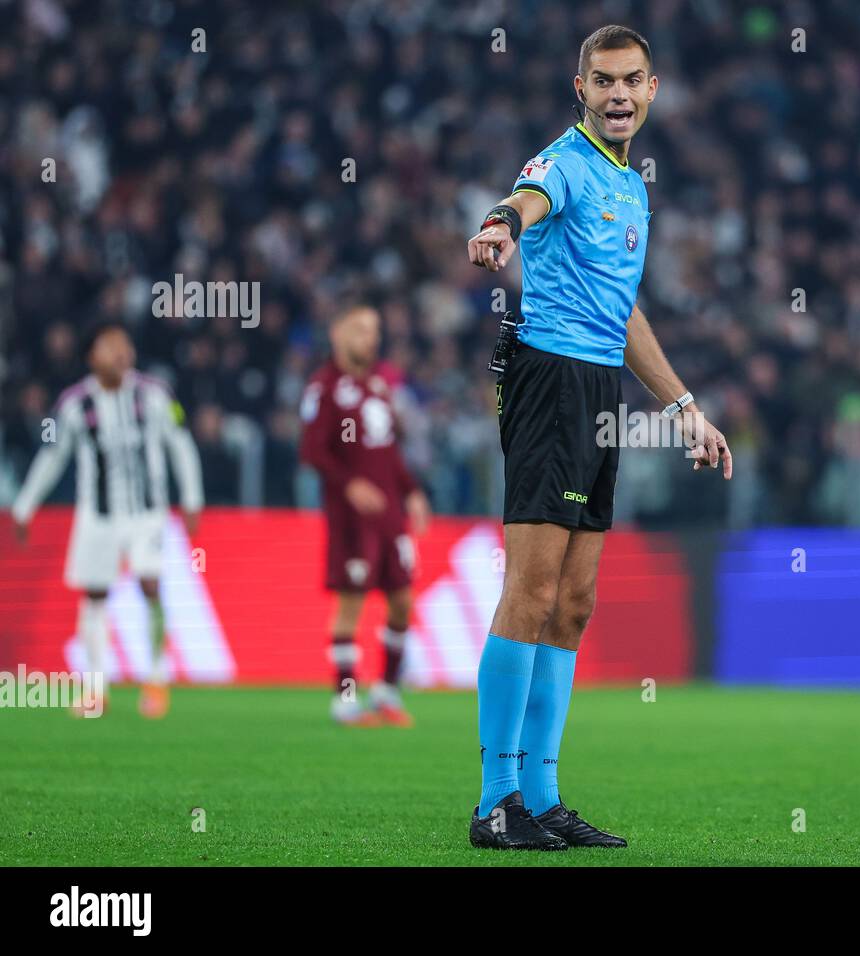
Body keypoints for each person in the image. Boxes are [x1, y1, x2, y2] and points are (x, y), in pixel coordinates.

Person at [464, 24, 732, 849]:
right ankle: (494, 801)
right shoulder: (566, 163)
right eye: (604, 80)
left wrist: (683, 402)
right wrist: (502, 223)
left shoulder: (630, 182)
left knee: (574, 605)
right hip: (549, 381)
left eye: (633, 81)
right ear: (578, 87)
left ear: (652, 90)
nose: (618, 94)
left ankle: (541, 797)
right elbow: (525, 198)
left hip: (599, 389)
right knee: (532, 592)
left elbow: (624, 314)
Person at [12, 320, 204, 718]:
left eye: (125, 345)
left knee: (150, 584)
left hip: (147, 513)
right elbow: (51, 454)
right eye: (110, 346)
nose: (121, 353)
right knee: (94, 596)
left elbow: (180, 442)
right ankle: (96, 688)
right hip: (97, 517)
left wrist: (191, 497)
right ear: (92, 356)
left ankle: (156, 680)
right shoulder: (70, 405)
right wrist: (25, 504)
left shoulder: (156, 395)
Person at [299, 305, 431, 727]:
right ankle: (345, 701)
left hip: (390, 514)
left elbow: (388, 452)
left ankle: (387, 693)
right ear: (338, 334)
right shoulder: (324, 388)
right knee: (350, 606)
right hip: (351, 518)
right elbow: (312, 450)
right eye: (360, 330)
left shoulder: (378, 385)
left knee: (402, 600)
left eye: (374, 331)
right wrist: (349, 484)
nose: (369, 339)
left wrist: (411, 492)